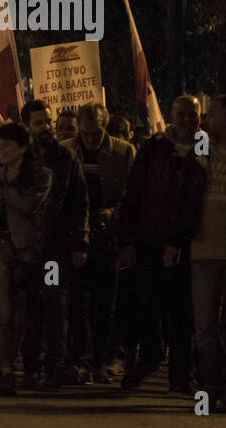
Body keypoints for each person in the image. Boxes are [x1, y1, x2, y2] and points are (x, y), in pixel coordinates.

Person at [117, 95, 204, 392]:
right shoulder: (153, 149)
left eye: (193, 114)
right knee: (149, 305)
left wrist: (178, 240)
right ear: (171, 115)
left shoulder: (207, 150)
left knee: (183, 313)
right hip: (150, 240)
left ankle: (181, 376)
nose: (188, 119)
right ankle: (150, 357)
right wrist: (127, 240)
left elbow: (194, 202)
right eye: (182, 113)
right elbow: (134, 194)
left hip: (191, 245)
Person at [184, 95, 226, 414]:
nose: (207, 121)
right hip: (203, 250)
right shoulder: (201, 150)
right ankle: (208, 389)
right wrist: (176, 239)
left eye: (213, 116)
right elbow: (185, 194)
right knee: (205, 325)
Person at [0, 123, 52, 396]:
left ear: (22, 148)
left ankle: (28, 364)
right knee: (2, 313)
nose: (1, 149)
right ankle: (5, 369)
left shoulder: (42, 176)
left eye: (7, 144)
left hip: (27, 251)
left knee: (25, 314)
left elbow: (28, 205)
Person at [62, 102, 135, 383]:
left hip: (109, 237)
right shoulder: (67, 150)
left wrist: (113, 212)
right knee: (77, 300)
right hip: (77, 236)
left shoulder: (123, 152)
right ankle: (80, 358)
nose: (91, 138)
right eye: (86, 133)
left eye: (97, 133)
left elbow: (133, 193)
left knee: (107, 302)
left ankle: (103, 357)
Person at [18, 100, 88, 389]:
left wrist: (79, 242)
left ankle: (55, 364)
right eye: (39, 123)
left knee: (54, 302)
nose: (46, 128)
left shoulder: (66, 157)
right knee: (29, 307)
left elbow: (78, 201)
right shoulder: (17, 158)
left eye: (49, 122)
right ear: (26, 126)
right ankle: (31, 365)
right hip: (25, 248)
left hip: (54, 249)